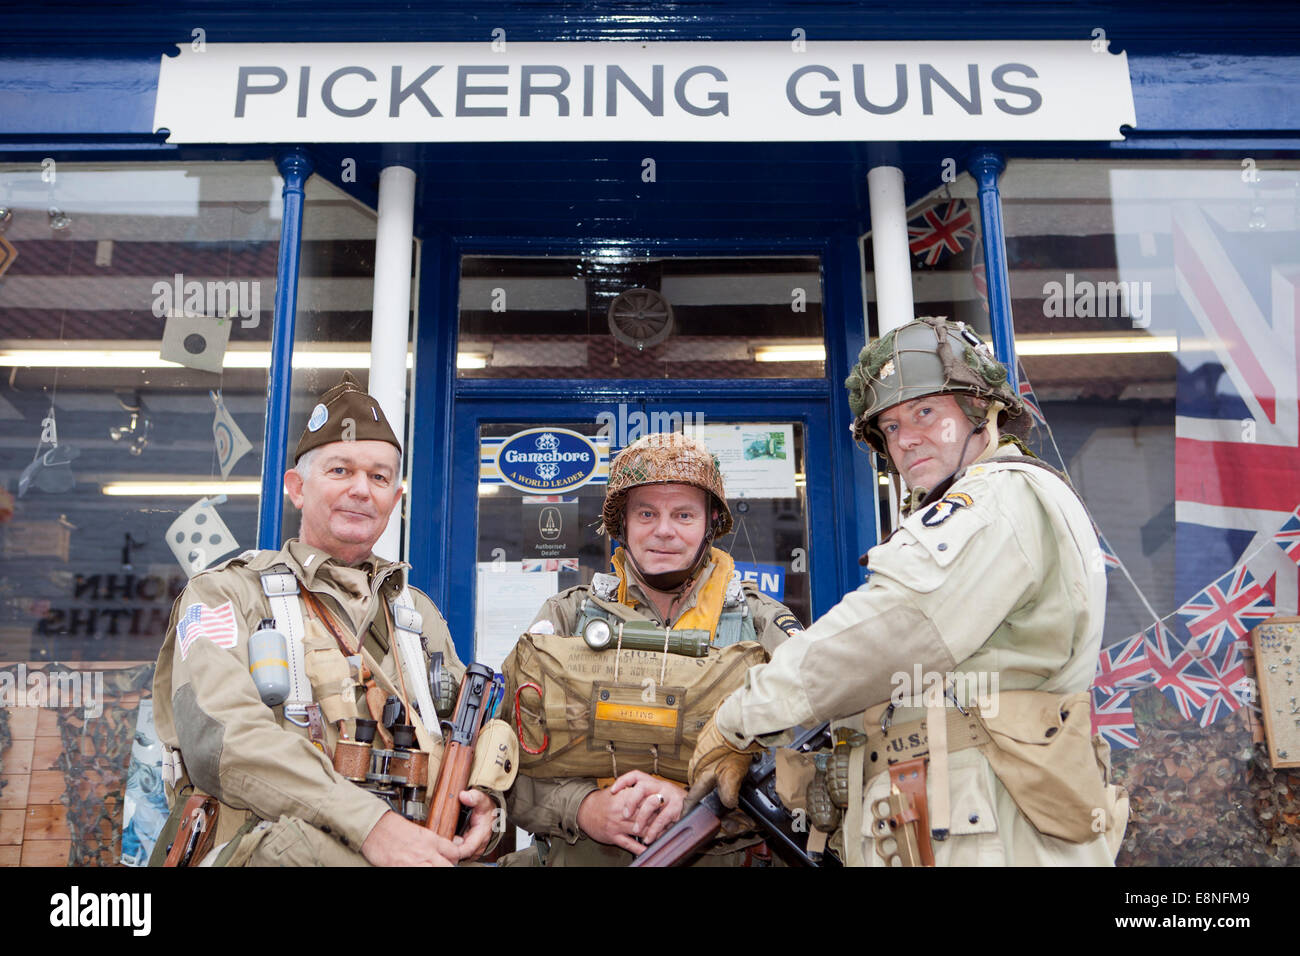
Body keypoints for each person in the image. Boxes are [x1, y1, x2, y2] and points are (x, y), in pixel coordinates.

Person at [690, 317, 1127, 866]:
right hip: (965, 817)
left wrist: (740, 719)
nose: (906, 437)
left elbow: (890, 632)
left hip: (986, 826)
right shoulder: (1004, 499)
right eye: (890, 427)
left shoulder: (993, 500)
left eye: (925, 412)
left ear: (978, 408)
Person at [151, 372, 498, 866]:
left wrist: (488, 797)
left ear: (395, 501)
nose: (362, 490)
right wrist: (371, 826)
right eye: (340, 471)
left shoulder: (414, 614)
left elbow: (475, 727)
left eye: (379, 477)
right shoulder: (226, 595)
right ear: (296, 488)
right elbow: (222, 742)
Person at [504, 431, 807, 866]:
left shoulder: (760, 627)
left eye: (683, 515)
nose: (663, 531)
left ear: (709, 526)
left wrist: (700, 806)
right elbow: (503, 760)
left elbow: (808, 765)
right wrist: (584, 809)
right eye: (646, 513)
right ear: (622, 524)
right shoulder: (567, 619)